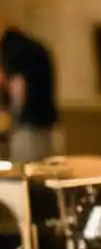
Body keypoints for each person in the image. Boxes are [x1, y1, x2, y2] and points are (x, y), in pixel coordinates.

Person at [0, 23, 61, 163]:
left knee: (24, 173)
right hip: (47, 122)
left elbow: (18, 86)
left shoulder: (14, 49)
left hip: (28, 126)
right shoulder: (34, 47)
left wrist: (13, 119)